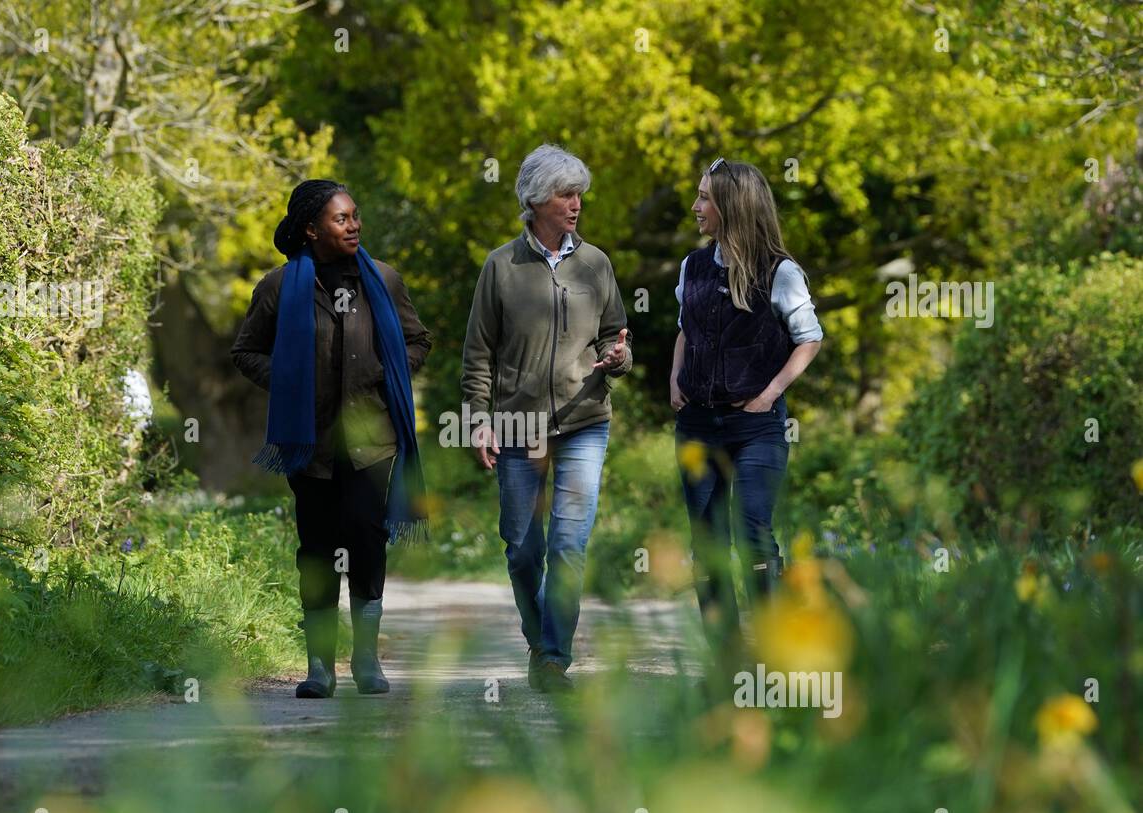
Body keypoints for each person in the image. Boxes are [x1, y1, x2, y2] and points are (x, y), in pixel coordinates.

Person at [231, 179, 432, 698]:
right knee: (317, 552)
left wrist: (394, 375)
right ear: (312, 230)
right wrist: (290, 380)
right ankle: (319, 668)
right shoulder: (278, 287)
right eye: (341, 219)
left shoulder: (382, 281)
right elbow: (246, 351)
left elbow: (418, 340)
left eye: (355, 215)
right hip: (310, 443)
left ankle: (366, 662)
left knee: (367, 544)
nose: (354, 225)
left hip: (373, 440)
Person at [462, 144, 633, 693]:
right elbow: (478, 353)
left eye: (578, 193)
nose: (575, 203)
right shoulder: (501, 267)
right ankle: (539, 643)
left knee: (567, 542)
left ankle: (555, 658)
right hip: (516, 425)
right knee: (522, 547)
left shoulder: (596, 263)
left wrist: (619, 358)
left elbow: (616, 336)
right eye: (565, 193)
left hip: (585, 420)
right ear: (535, 200)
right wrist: (477, 420)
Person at [669, 158, 823, 646]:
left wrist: (770, 394)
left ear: (732, 206)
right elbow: (683, 330)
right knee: (708, 544)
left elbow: (809, 339)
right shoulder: (693, 266)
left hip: (756, 428)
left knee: (754, 531)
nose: (696, 207)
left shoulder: (781, 272)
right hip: (697, 425)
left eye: (705, 198)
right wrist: (676, 377)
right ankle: (726, 658)